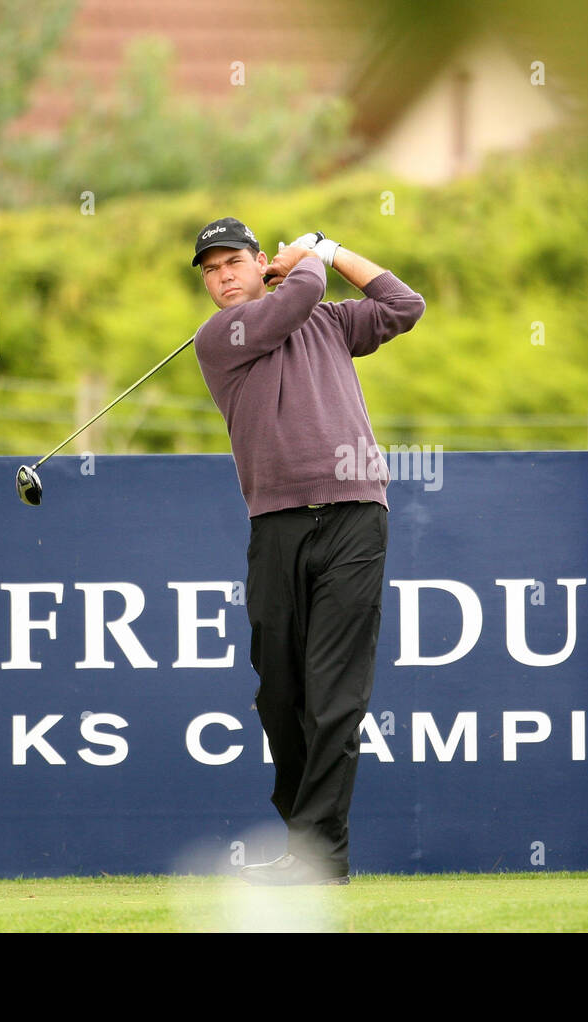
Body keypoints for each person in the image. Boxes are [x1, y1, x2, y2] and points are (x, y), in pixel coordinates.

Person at [190, 217, 426, 885]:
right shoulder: (222, 337)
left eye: (233, 261)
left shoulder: (327, 323)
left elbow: (404, 306)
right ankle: (305, 837)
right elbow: (297, 298)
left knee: (334, 696)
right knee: (280, 695)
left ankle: (317, 856)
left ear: (259, 262)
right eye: (210, 270)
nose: (223, 276)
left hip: (355, 518)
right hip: (277, 527)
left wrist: (334, 252)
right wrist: (310, 256)